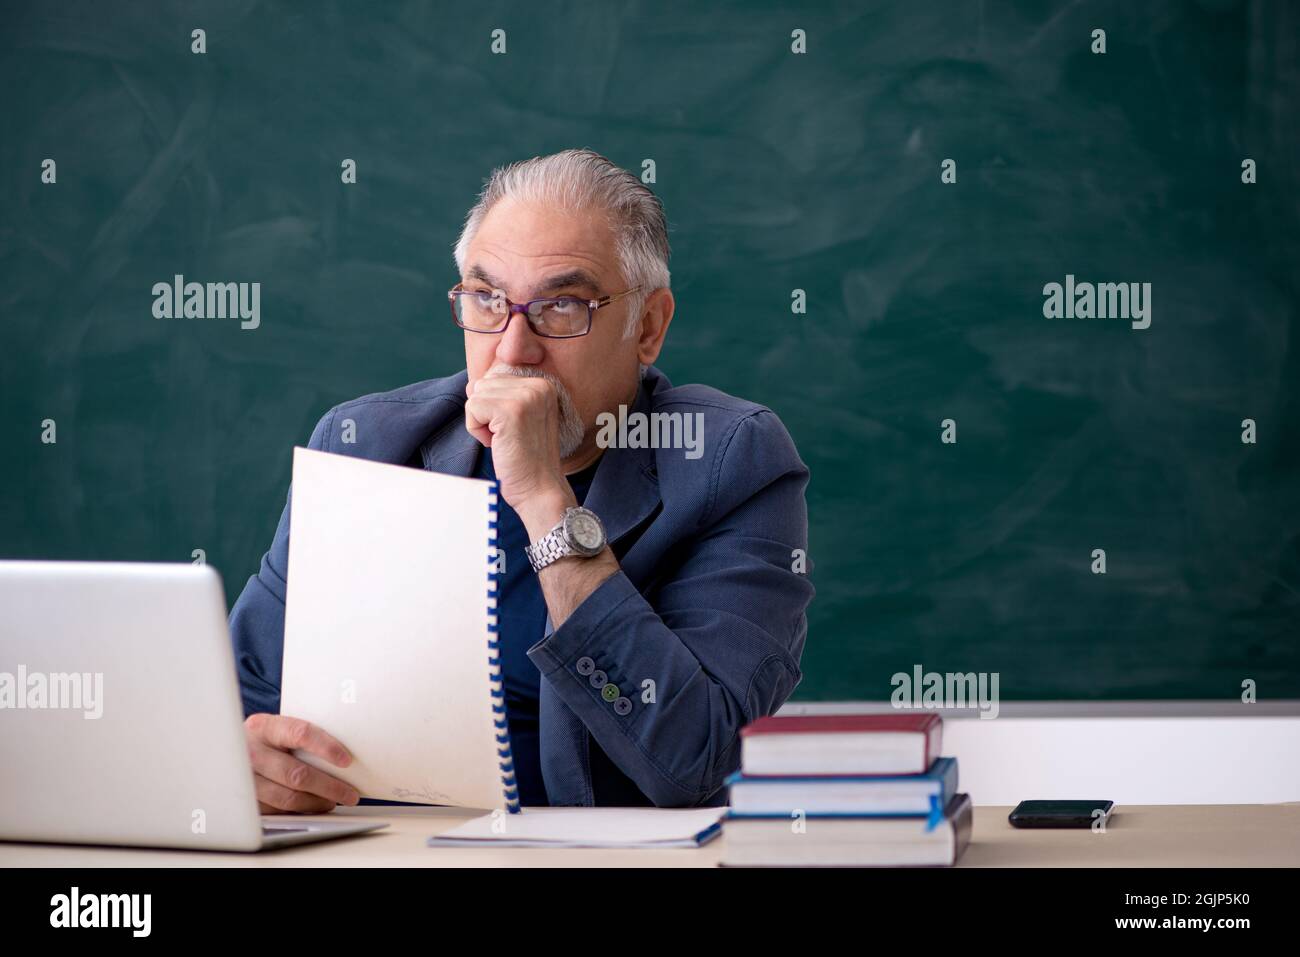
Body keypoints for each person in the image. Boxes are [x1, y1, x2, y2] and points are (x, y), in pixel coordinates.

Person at [229, 148, 814, 809]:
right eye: (486, 300)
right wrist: (242, 756)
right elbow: (235, 705)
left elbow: (694, 759)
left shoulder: (731, 461)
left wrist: (543, 499)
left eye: (561, 307)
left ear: (646, 327)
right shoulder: (364, 446)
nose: (512, 349)